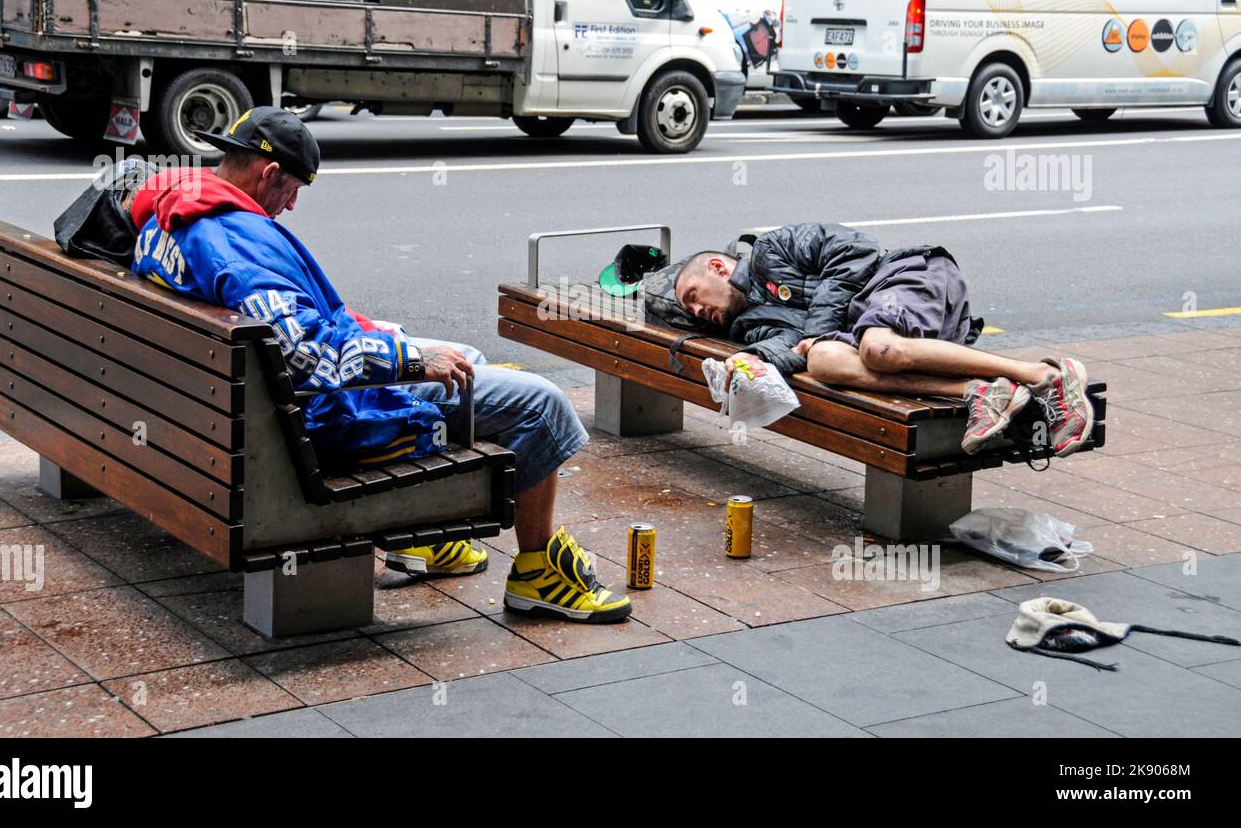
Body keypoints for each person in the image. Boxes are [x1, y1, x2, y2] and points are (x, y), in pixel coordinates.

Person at [128, 106, 630, 623]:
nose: (292, 205)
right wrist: (409, 361)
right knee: (541, 404)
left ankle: (430, 541)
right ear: (269, 173)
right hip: (314, 423)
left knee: (470, 359)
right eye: (293, 189)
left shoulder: (177, 208)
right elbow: (304, 357)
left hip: (232, 409)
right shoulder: (236, 241)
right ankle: (538, 574)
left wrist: (393, 342)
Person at [671, 223, 1094, 457]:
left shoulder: (772, 248)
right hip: (864, 327)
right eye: (688, 310)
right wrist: (751, 360)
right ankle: (981, 391)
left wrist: (816, 330)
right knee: (823, 363)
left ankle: (1043, 375)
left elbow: (855, 251)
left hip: (902, 278)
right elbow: (790, 350)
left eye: (694, 296)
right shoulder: (749, 325)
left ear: (718, 268)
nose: (695, 311)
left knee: (877, 348)